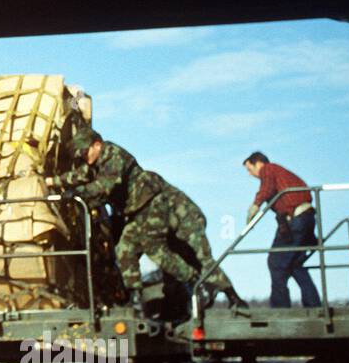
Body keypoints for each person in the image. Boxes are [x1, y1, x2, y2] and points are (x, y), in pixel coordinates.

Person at [50, 130, 243, 308]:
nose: (85, 158)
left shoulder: (114, 156)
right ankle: (134, 298)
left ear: (97, 144)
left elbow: (103, 187)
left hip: (152, 206)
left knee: (167, 250)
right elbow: (80, 175)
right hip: (137, 212)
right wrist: (53, 182)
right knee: (126, 249)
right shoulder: (97, 163)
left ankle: (207, 287)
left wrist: (77, 193)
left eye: (85, 152)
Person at [243, 151, 321, 309]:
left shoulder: (269, 169)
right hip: (304, 219)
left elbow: (266, 188)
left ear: (258, 163)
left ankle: (280, 308)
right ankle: (313, 304)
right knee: (294, 264)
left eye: (249, 169)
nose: (250, 174)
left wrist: (255, 205)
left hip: (297, 220)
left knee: (276, 262)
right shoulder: (280, 177)